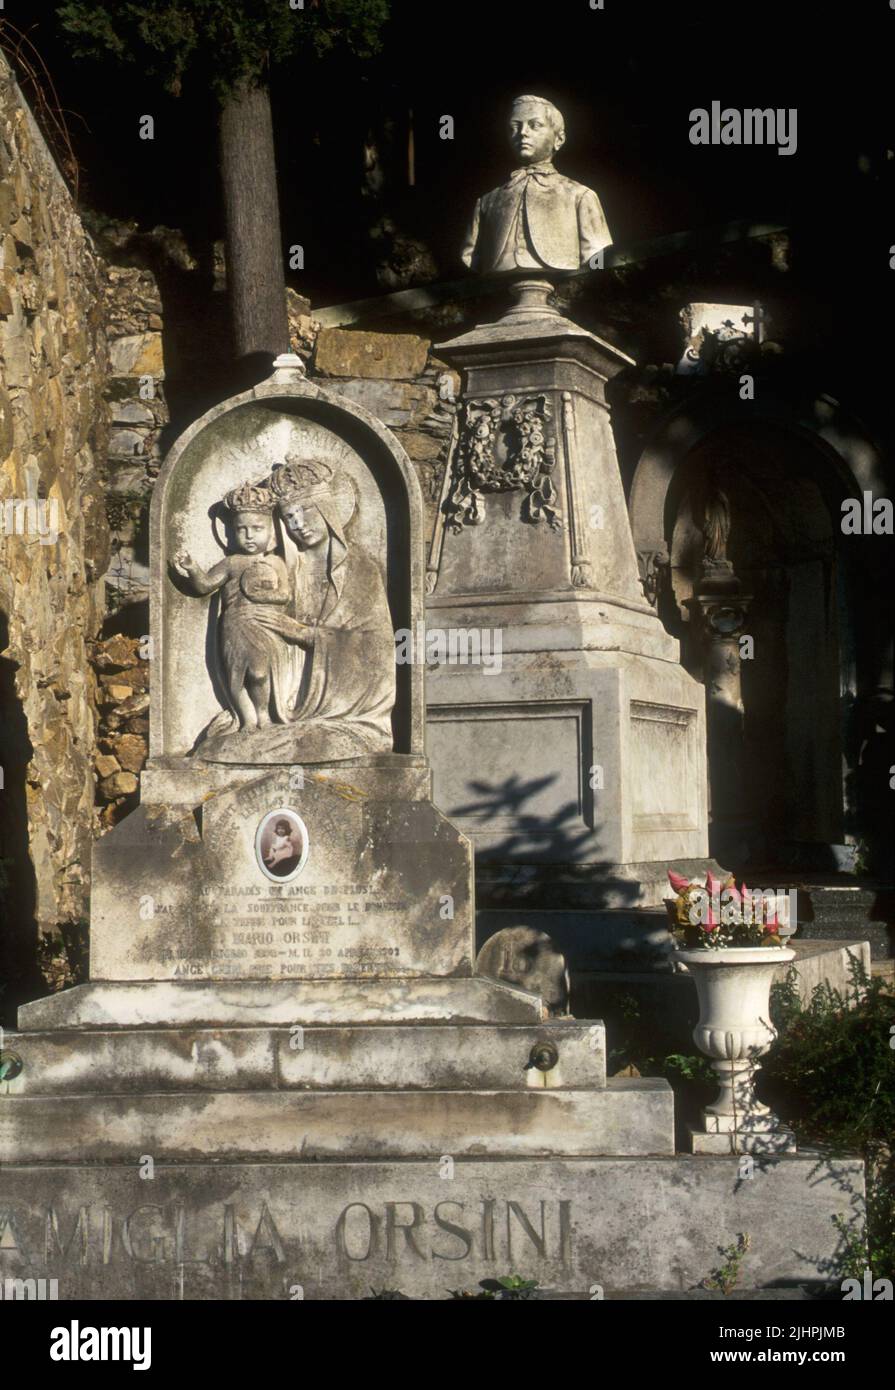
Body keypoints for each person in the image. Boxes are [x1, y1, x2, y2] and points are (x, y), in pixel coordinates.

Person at [173, 481, 302, 734]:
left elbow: (285, 595)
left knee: (259, 673)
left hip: (263, 625)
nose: (249, 535)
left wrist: (259, 595)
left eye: (257, 528)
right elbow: (205, 586)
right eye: (241, 529)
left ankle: (264, 715)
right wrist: (192, 569)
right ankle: (247, 719)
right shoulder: (231, 563)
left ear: (272, 531)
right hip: (233, 625)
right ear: (232, 532)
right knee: (236, 677)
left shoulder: (275, 562)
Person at [461, 94, 611, 275]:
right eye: (514, 127)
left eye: (535, 125)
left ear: (559, 139)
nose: (522, 132)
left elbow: (598, 260)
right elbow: (470, 259)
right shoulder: (487, 202)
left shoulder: (580, 195)